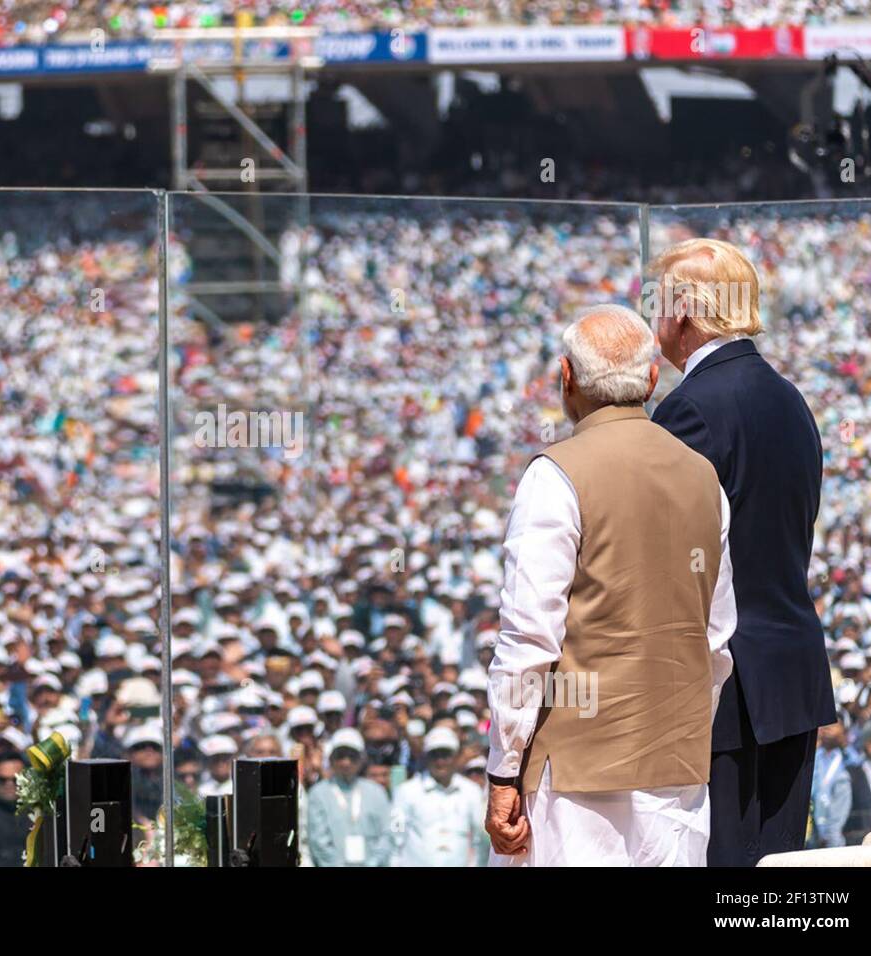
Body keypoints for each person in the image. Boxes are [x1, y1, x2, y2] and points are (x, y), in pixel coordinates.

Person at [486, 305, 736, 867]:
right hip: (677, 771)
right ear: (652, 380)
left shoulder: (554, 475)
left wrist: (504, 769)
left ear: (566, 378)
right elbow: (716, 640)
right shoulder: (704, 477)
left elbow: (528, 642)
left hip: (573, 779)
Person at [650, 238, 834, 866]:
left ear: (683, 313)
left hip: (726, 687)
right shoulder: (792, 401)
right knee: (778, 883)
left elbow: (668, 565)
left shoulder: (688, 411)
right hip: (792, 676)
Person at [392, 726, 486, 866]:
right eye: (434, 754)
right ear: (426, 757)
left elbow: (479, 838)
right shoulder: (407, 791)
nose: (440, 761)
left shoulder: (471, 792)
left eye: (446, 754)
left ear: (456, 756)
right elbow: (396, 835)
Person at [307, 727, 393, 867]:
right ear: (331, 759)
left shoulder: (376, 792)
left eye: (352, 756)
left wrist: (373, 863)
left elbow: (387, 835)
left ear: (362, 759)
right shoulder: (318, 793)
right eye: (340, 756)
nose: (346, 762)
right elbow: (318, 841)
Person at [809, 720, 853, 849]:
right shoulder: (813, 757)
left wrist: (844, 743)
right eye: (824, 725)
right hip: (814, 829)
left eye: (833, 724)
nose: (827, 728)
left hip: (843, 831)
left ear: (844, 731)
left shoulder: (850, 758)